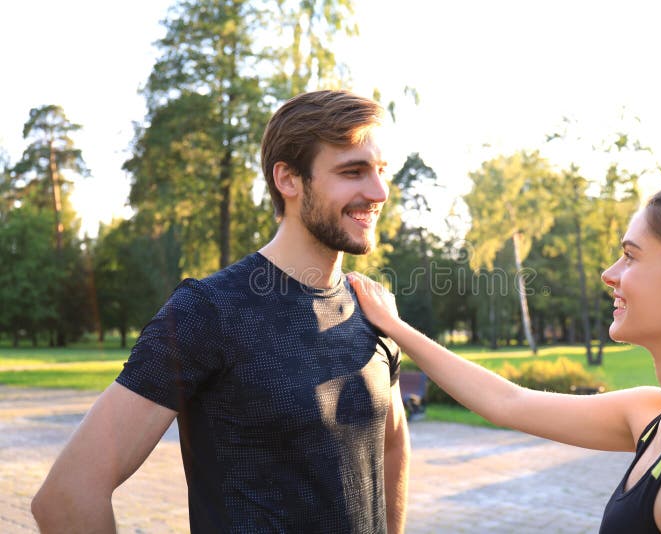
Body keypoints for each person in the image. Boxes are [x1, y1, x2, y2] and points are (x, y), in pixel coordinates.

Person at [31, 90, 410, 533]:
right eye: (353, 171)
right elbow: (67, 495)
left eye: (381, 171)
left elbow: (391, 447)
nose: (379, 192)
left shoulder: (374, 309)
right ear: (288, 179)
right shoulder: (209, 312)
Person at [349, 179, 661, 533]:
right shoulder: (660, 416)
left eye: (630, 256)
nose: (610, 274)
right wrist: (395, 327)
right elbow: (508, 403)